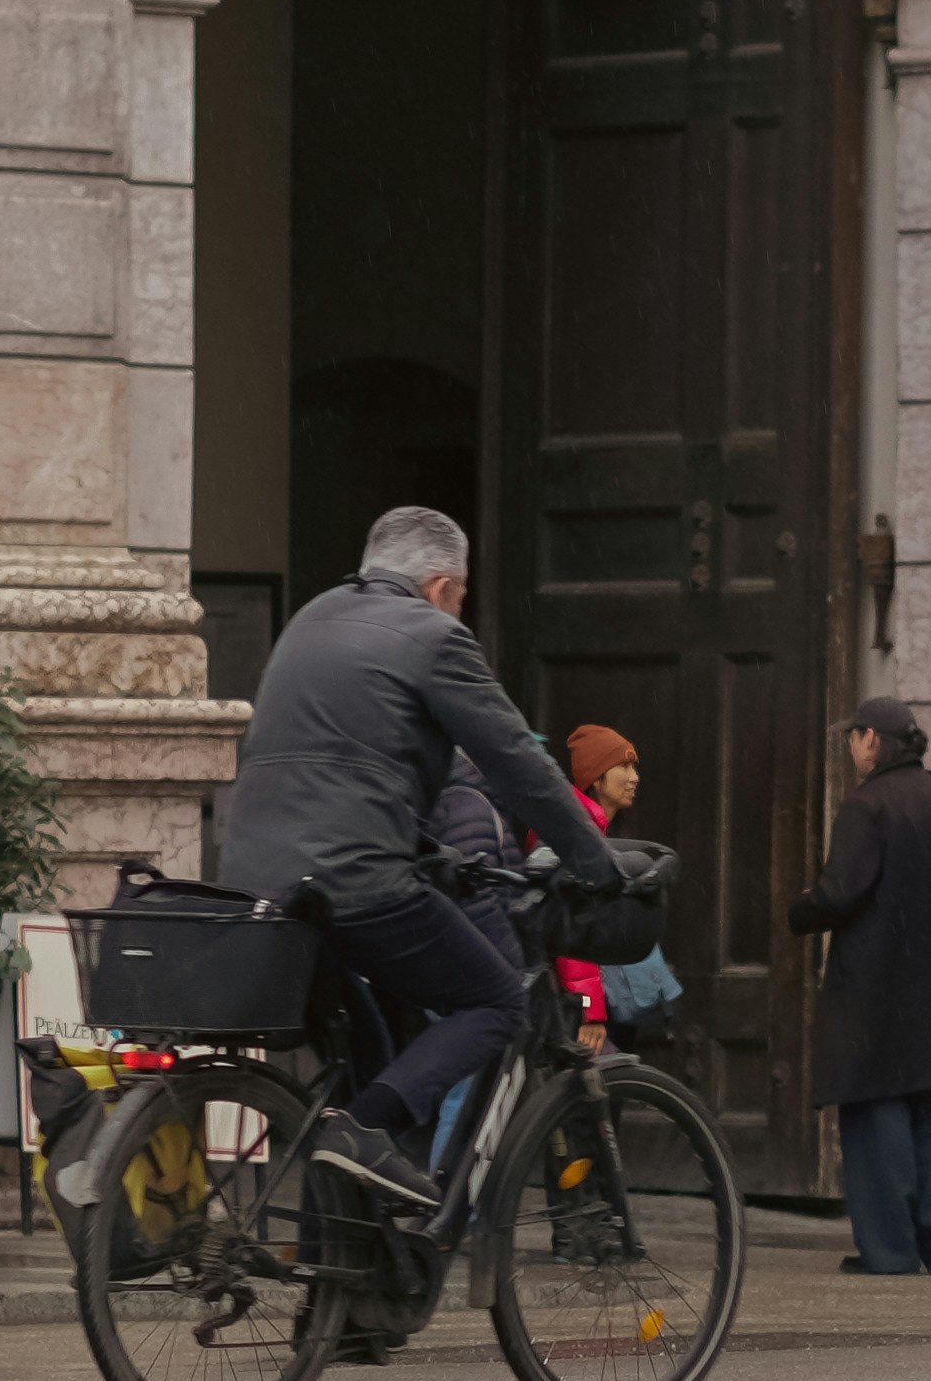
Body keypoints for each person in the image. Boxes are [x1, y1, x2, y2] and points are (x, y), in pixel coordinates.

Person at [213, 507, 618, 1212]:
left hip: (259, 882)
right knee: (495, 1000)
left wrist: (431, 849)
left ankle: (344, 1293)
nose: (460, 612)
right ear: (438, 587)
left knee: (362, 1059)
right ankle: (367, 1132)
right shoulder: (433, 636)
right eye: (460, 598)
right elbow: (516, 761)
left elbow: (342, 764)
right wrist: (594, 856)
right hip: (356, 879)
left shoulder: (311, 619)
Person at [793, 696, 931, 1277]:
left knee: (876, 1121)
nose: (850, 747)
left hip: (873, 989)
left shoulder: (866, 805)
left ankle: (891, 1252)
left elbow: (840, 891)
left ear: (873, 740)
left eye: (854, 736)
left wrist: (801, 910)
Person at [560, 723, 681, 1032]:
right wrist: (590, 1012)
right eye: (624, 766)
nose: (634, 778)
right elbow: (572, 934)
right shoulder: (571, 832)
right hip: (581, 1008)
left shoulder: (600, 828)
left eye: (634, 767)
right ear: (595, 777)